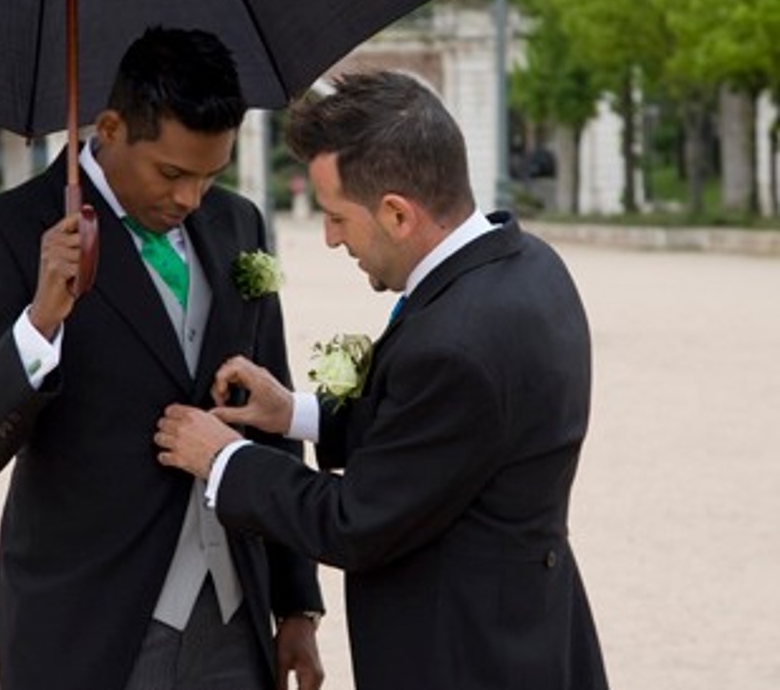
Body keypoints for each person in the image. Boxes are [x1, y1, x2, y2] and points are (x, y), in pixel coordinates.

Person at [155, 70, 610, 690]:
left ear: (396, 212)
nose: (330, 237)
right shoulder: (527, 264)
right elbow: (440, 440)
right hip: (528, 626)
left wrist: (226, 460)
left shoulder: (456, 346)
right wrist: (294, 413)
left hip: (465, 657)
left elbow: (355, 523)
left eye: (337, 216)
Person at [0, 27, 324, 690]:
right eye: (172, 173)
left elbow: (271, 418)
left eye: (211, 176)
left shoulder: (240, 225)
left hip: (237, 616)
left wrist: (296, 602)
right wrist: (39, 324)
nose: (189, 200)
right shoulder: (0, 234)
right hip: (88, 628)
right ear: (110, 127)